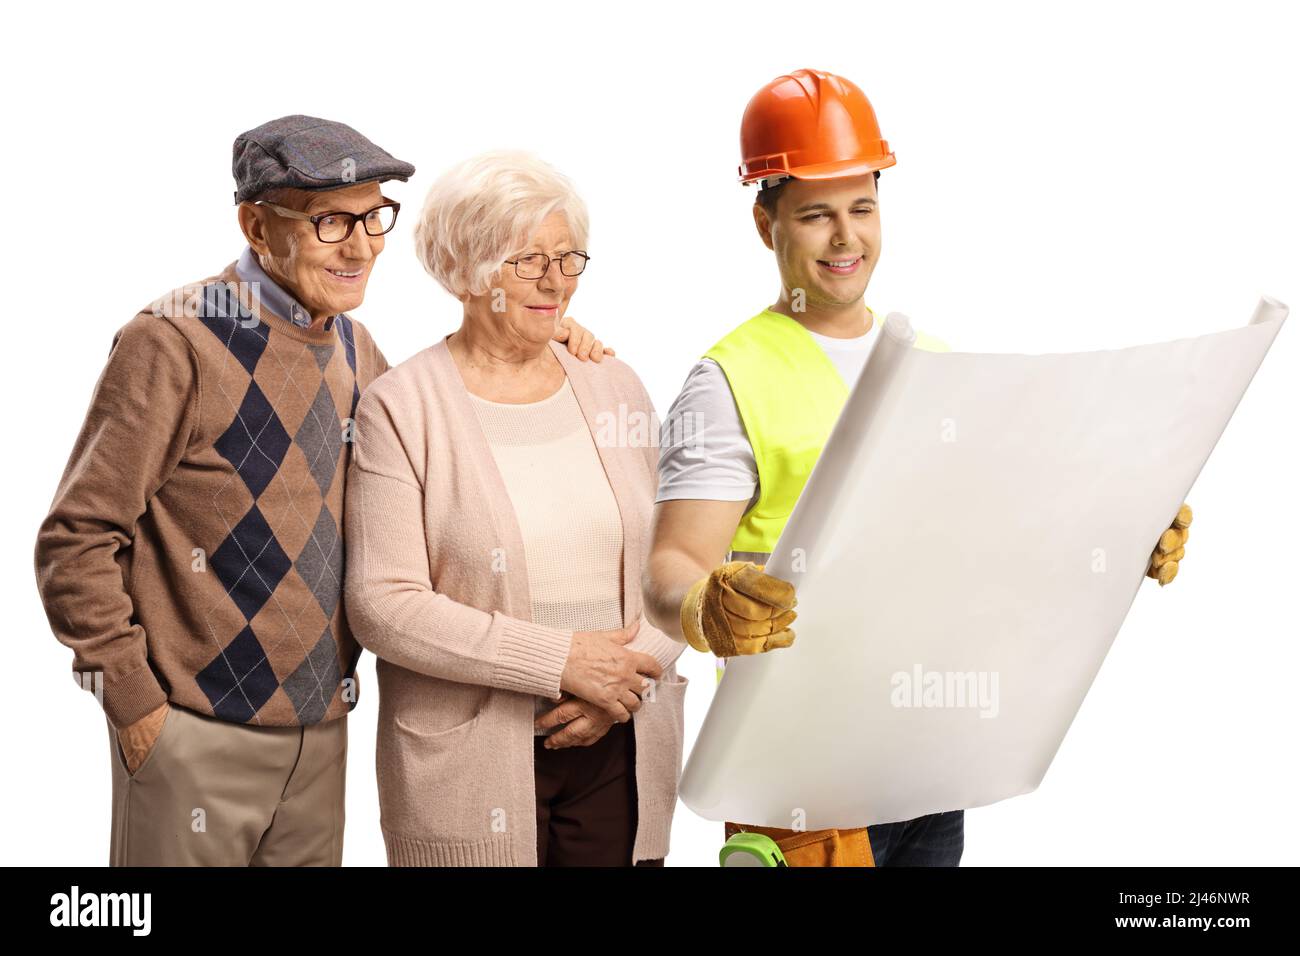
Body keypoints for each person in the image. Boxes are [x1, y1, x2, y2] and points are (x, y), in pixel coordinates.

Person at [643, 69, 1193, 866]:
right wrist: (702, 605)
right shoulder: (728, 379)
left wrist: (1118, 534)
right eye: (816, 215)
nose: (846, 239)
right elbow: (671, 565)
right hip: (799, 774)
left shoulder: (933, 365)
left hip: (927, 764)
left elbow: (994, 544)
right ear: (766, 226)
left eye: (862, 208)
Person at [33, 116, 609, 866]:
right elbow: (76, 538)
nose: (362, 244)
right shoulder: (173, 340)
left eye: (375, 217)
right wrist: (135, 702)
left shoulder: (354, 346)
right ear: (255, 225)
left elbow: (443, 433)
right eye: (332, 220)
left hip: (321, 736)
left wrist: (543, 335)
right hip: (193, 731)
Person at [343, 150, 687, 867]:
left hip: (621, 742)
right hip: (470, 759)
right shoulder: (402, 408)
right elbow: (384, 603)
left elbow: (676, 566)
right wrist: (560, 662)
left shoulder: (613, 384)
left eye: (568, 258)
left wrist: (622, 683)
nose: (556, 281)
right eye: (528, 260)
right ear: (467, 268)